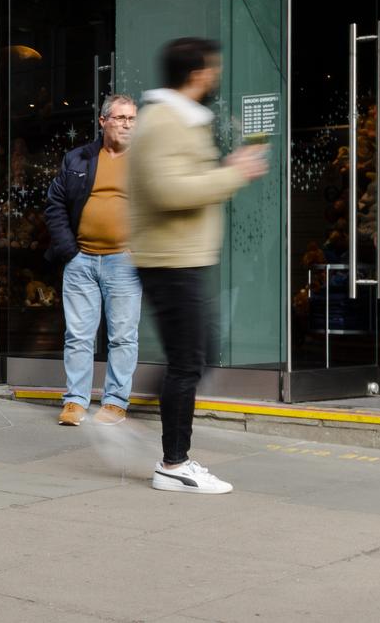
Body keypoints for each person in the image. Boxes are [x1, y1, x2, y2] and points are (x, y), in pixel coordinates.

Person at [126, 37, 267, 495]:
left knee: (197, 352)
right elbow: (171, 192)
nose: (217, 75)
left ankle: (145, 412)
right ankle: (174, 463)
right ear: (199, 72)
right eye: (214, 68)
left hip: (182, 257)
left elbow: (186, 179)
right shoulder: (166, 121)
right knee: (189, 360)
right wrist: (234, 174)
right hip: (169, 260)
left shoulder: (180, 120)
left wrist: (226, 168)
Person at [46, 96, 141, 429]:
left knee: (123, 337)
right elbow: (55, 203)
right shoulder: (79, 158)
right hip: (81, 261)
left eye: (132, 118)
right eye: (121, 118)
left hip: (124, 263)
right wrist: (69, 251)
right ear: (103, 121)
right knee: (78, 336)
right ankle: (75, 401)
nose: (128, 124)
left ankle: (115, 403)